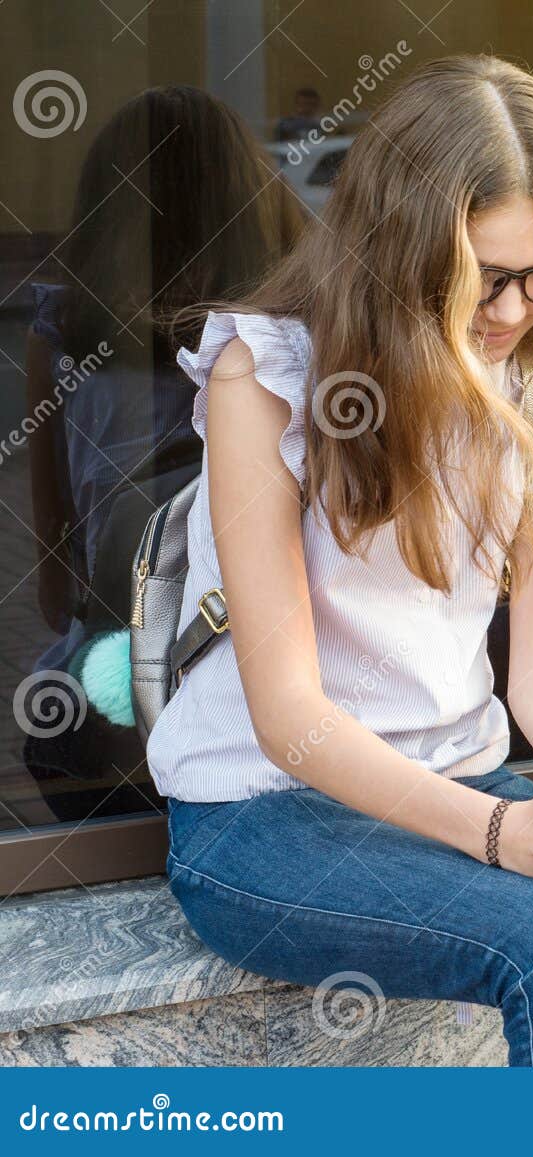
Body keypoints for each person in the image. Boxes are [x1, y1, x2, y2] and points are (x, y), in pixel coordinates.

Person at [154, 55, 533, 1067]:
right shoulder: (265, 373)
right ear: (398, 247)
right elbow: (290, 717)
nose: (516, 308)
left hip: (458, 777)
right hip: (262, 813)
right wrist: (498, 835)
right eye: (486, 274)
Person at [22, 85, 305, 819]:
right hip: (282, 734)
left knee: (54, 722)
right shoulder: (285, 342)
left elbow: (57, 595)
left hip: (115, 729)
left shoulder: (58, 336)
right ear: (250, 208)